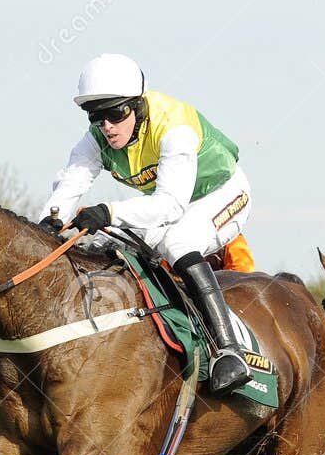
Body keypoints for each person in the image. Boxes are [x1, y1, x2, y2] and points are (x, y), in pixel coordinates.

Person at [37, 54, 255, 394]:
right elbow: (70, 184)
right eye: (97, 116)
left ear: (138, 106)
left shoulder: (174, 127)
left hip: (222, 193)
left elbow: (170, 205)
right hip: (169, 201)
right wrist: (47, 226)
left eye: (116, 113)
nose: (107, 126)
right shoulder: (97, 138)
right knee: (116, 249)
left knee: (179, 242)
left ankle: (230, 352)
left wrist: (108, 211)